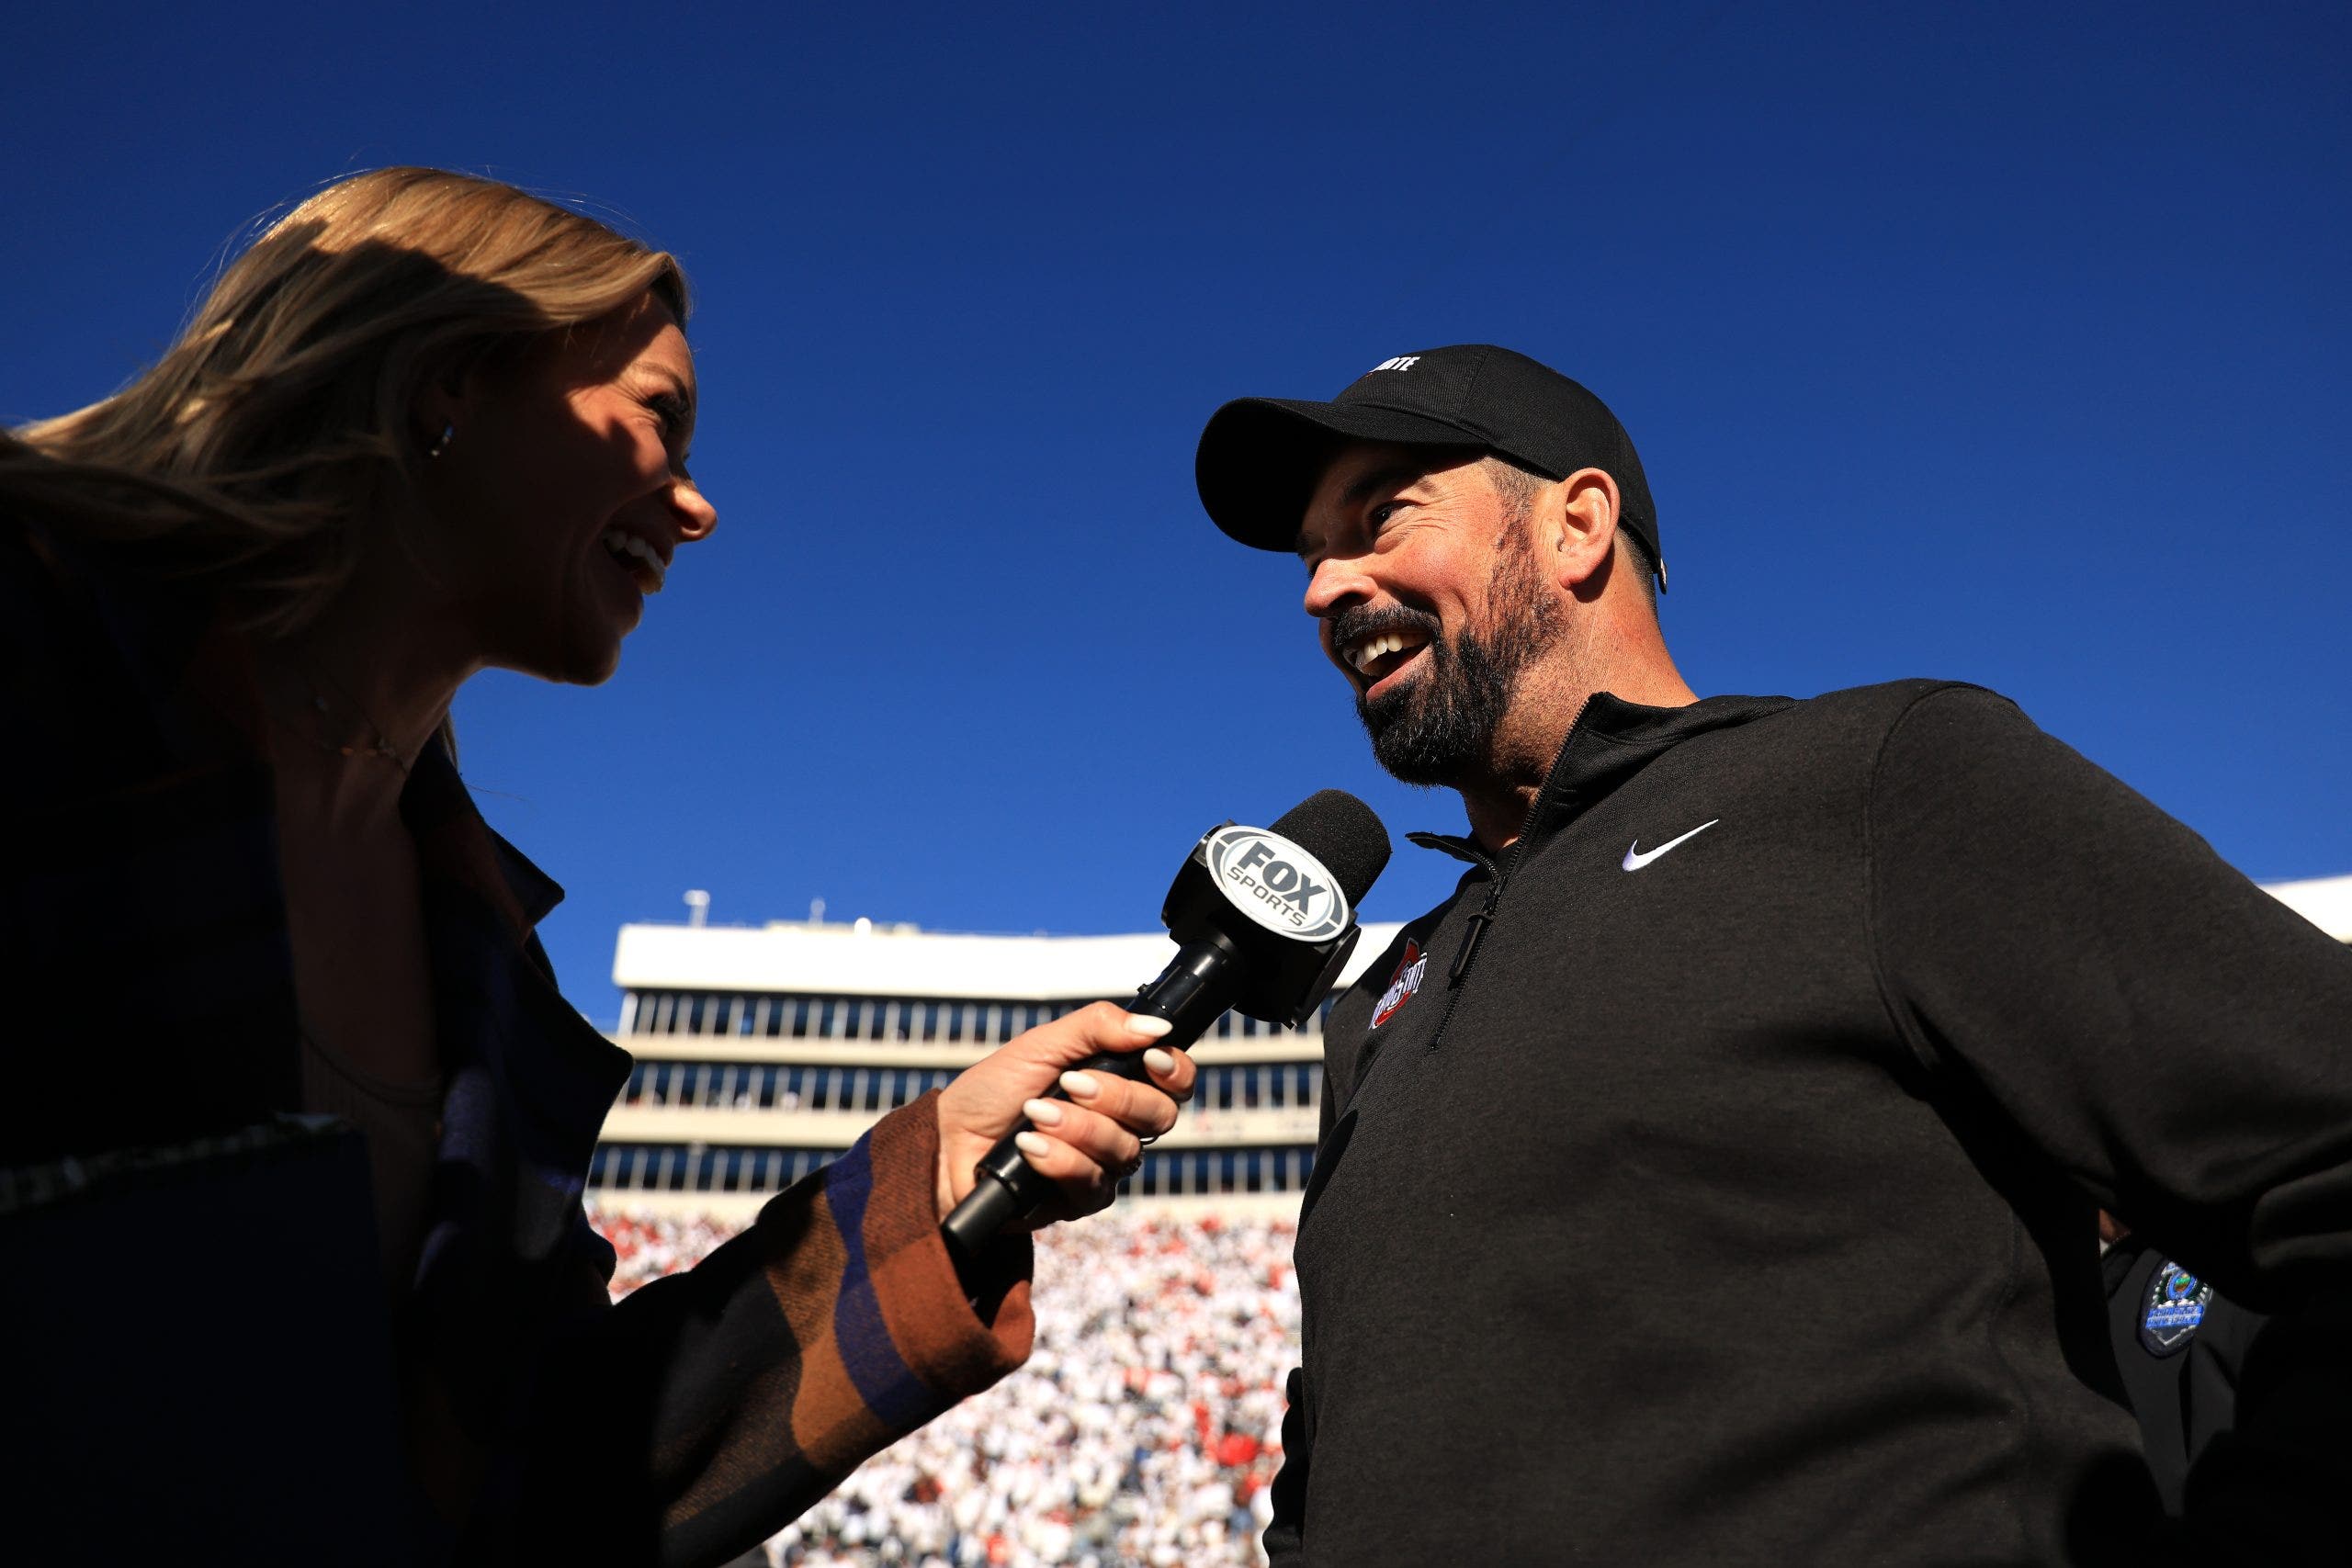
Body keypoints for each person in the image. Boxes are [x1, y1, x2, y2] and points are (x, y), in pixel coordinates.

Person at [0, 166, 1193, 1566]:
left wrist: (929, 1195)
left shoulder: (489, 960)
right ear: (447, 378)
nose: (698, 510)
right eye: (658, 420)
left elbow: (544, 1473)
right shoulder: (35, 643)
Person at [1189, 344, 2352, 1564]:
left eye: (1382, 519)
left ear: (1576, 525)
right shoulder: (1381, 1000)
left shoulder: (1879, 782)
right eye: (1315, 556)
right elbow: (1327, 1476)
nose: (1323, 591)